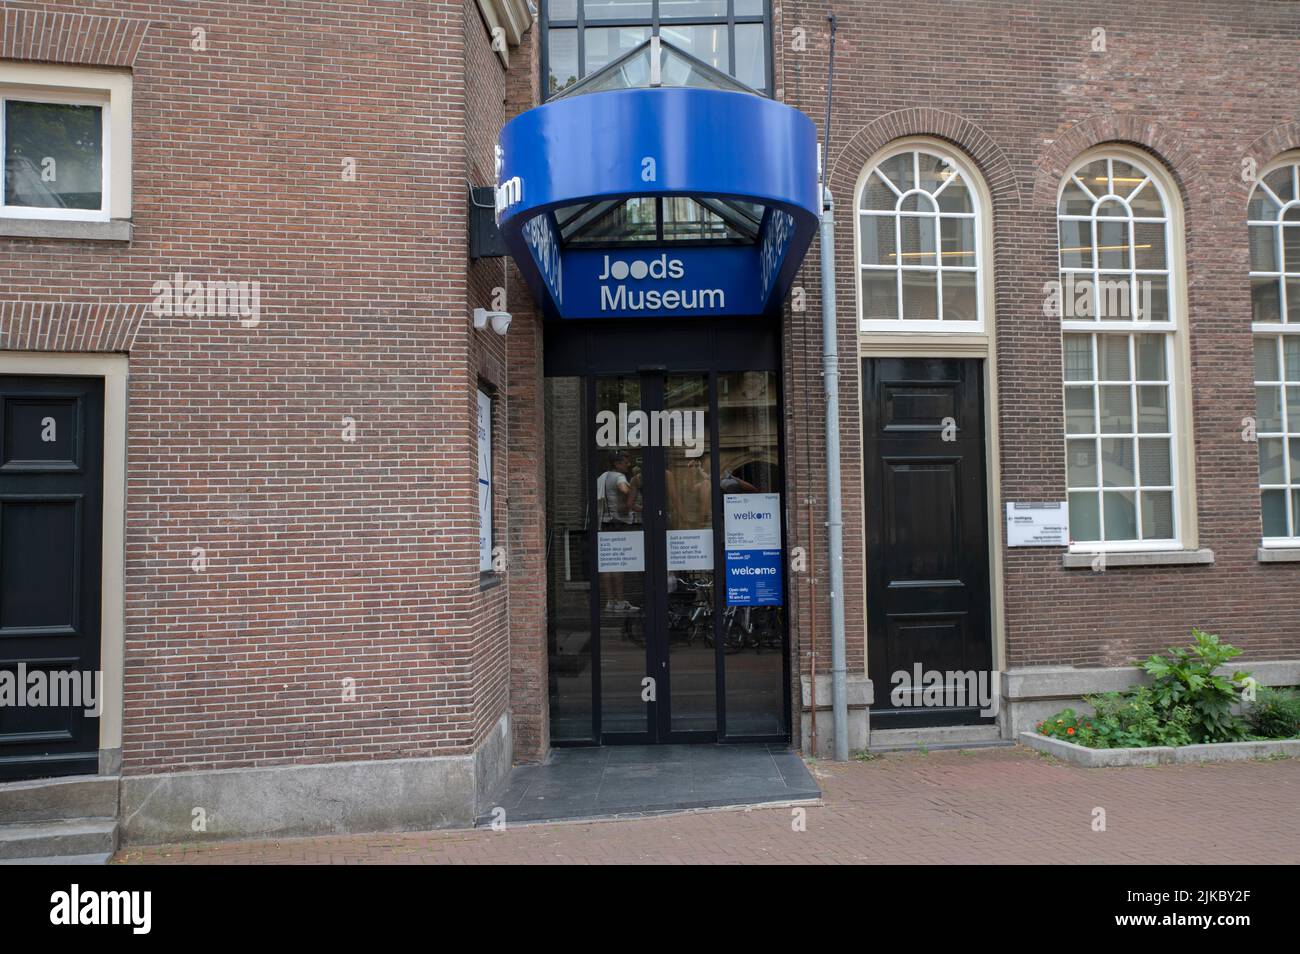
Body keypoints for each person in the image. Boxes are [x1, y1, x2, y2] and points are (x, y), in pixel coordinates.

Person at [596, 451, 641, 614]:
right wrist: (634, 490)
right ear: (617, 464)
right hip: (618, 524)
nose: (628, 465)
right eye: (625, 462)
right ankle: (620, 600)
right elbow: (625, 490)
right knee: (619, 563)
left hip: (605, 523)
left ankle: (610, 601)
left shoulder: (603, 477)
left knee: (608, 564)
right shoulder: (619, 477)